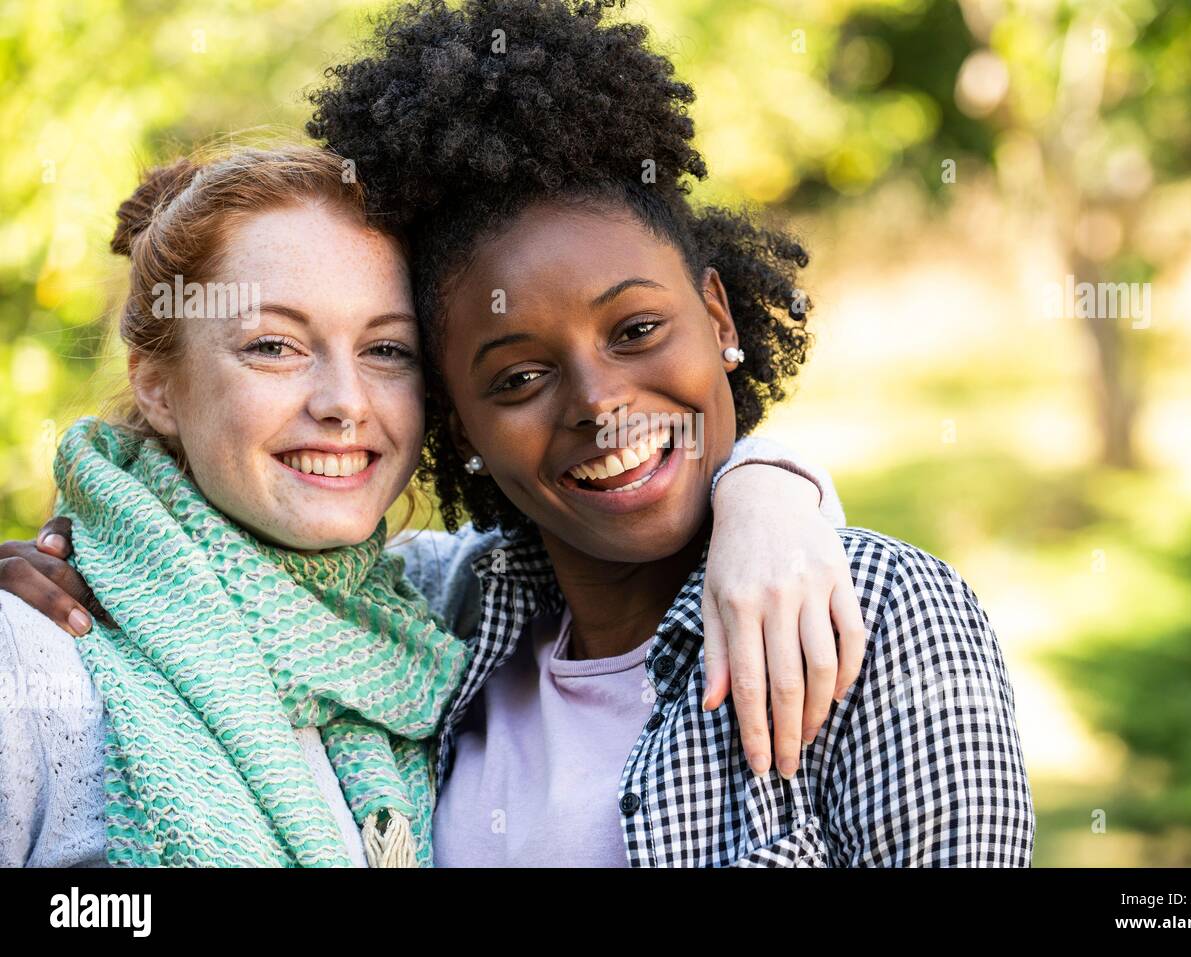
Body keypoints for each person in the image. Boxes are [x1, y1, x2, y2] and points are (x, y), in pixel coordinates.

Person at [298, 0, 1038, 865]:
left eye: (637, 330)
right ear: (458, 423)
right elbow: (227, 564)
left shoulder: (879, 619)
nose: (600, 403)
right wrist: (96, 543)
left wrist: (766, 481)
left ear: (718, 316)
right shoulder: (440, 622)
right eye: (520, 378)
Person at [0, 141, 863, 866]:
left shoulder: (432, 616)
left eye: (385, 349)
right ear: (156, 386)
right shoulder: (38, 652)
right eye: (273, 346)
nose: (344, 400)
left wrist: (766, 489)